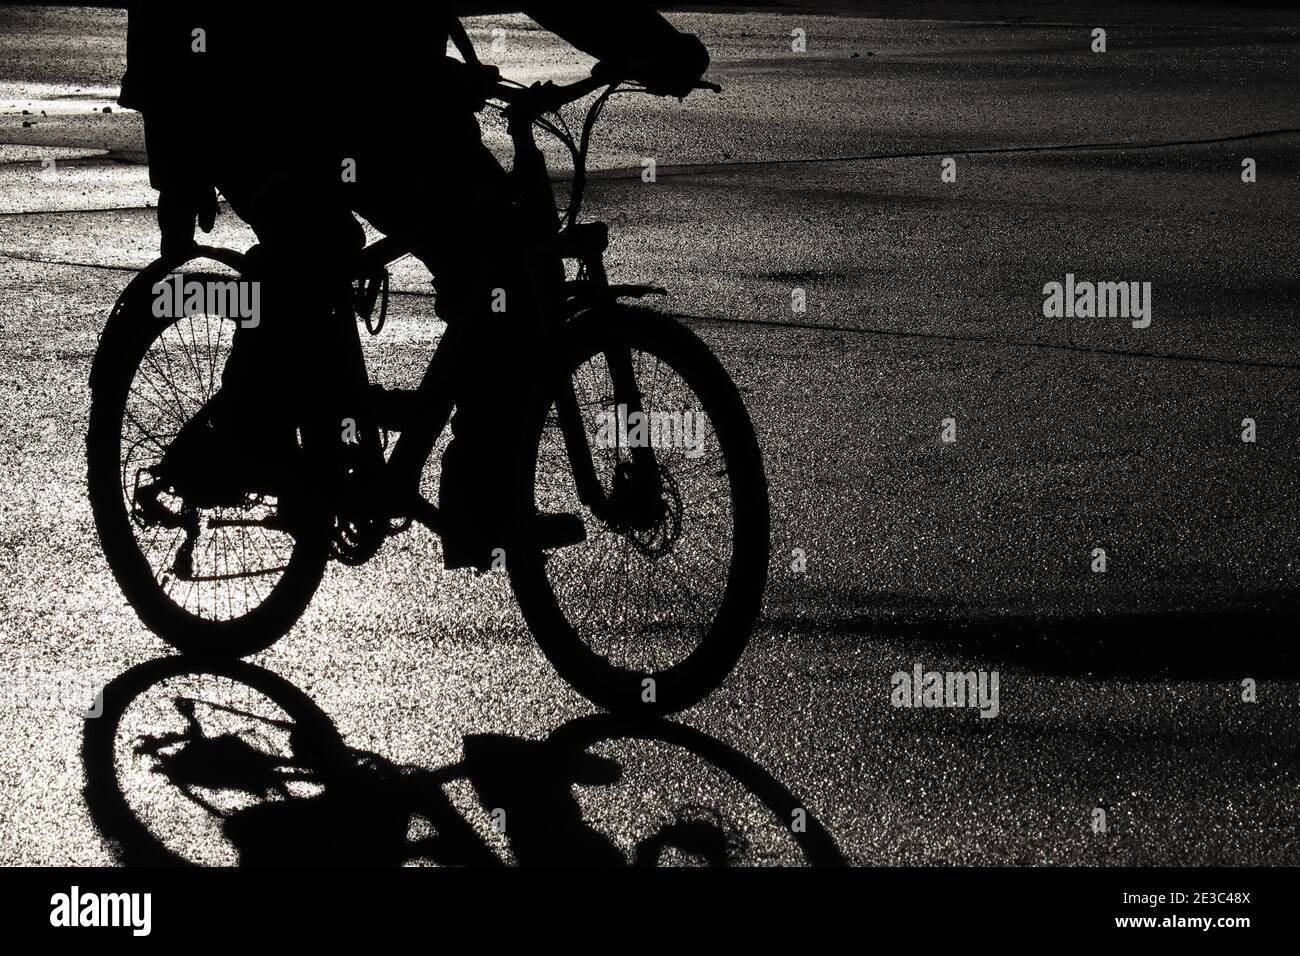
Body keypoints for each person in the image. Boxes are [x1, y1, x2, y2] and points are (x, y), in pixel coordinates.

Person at [120, 2, 709, 568]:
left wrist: (651, 48)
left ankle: (482, 494)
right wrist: (176, 167)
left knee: (508, 252)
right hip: (256, 107)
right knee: (313, 241)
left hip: (385, 115)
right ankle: (250, 433)